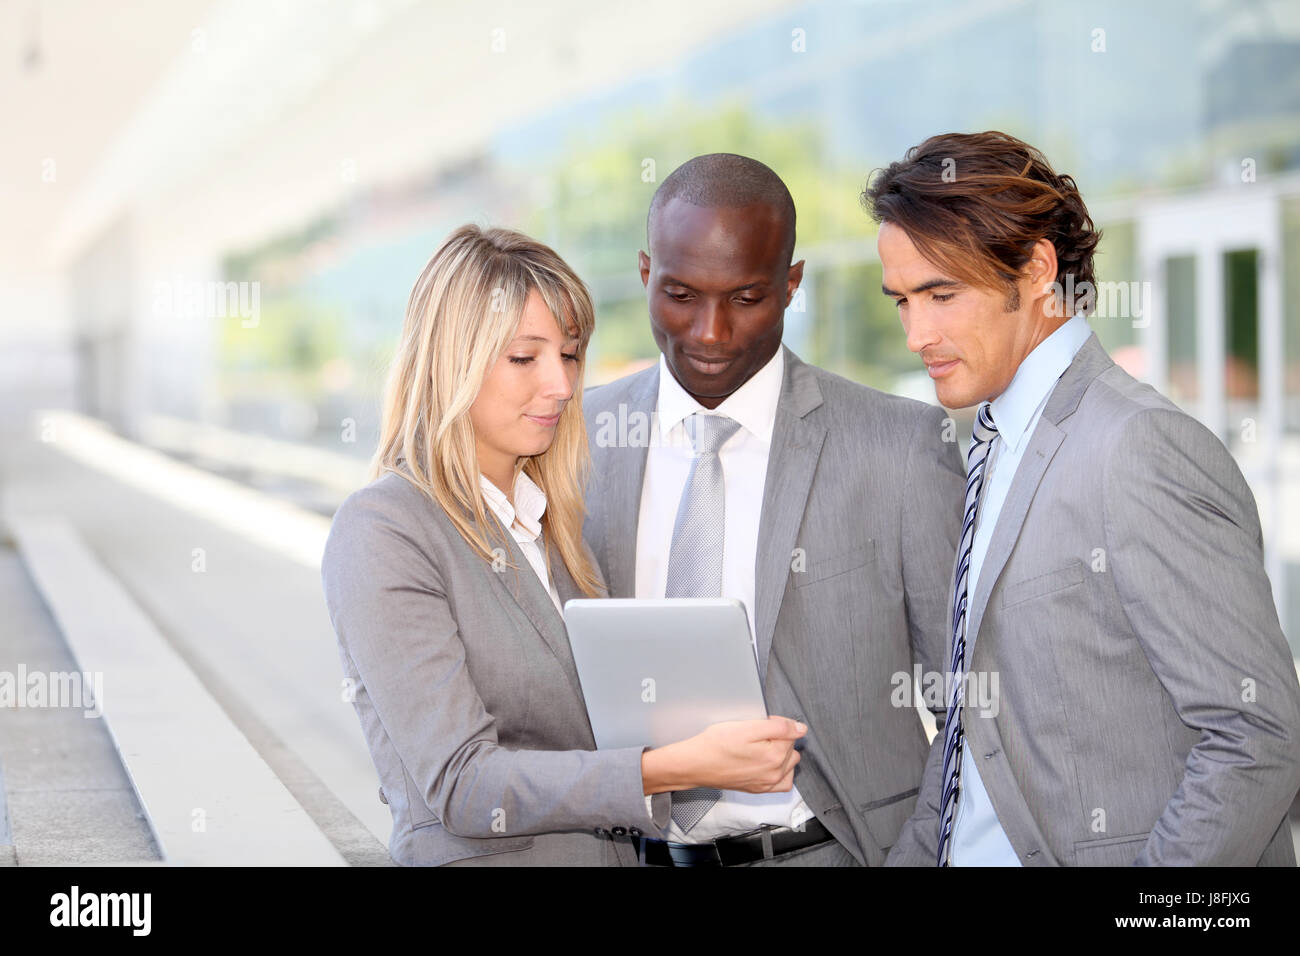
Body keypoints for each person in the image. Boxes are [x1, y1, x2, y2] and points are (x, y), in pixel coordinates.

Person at [864, 130, 1300, 866]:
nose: (917, 333)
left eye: (942, 294)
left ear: (1037, 270)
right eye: (903, 301)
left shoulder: (1137, 447)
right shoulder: (989, 447)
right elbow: (973, 736)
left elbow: (1254, 735)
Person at [321, 224, 807, 866]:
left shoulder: (555, 531)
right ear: (450, 361)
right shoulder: (385, 529)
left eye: (570, 354)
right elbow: (464, 785)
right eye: (525, 358)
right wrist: (666, 768)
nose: (561, 385)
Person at [582, 154, 966, 866]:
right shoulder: (577, 442)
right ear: (644, 276)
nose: (710, 333)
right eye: (680, 295)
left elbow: (970, 707)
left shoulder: (900, 449)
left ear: (792, 285)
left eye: (747, 298)